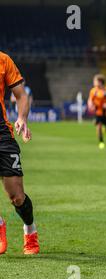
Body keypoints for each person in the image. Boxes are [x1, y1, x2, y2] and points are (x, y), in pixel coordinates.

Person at [0, 51, 40, 255]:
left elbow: (21, 95)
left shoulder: (3, 60)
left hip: (2, 135)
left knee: (17, 197)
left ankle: (30, 230)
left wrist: (22, 118)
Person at [87, 74, 106, 149]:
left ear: (100, 82)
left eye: (95, 81)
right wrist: (90, 105)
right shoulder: (93, 91)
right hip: (98, 112)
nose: (94, 82)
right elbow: (90, 99)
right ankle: (101, 141)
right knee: (98, 126)